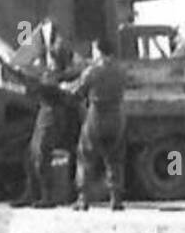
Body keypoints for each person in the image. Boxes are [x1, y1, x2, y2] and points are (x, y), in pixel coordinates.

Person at [8, 27, 80, 207]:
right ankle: (31, 193)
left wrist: (22, 77)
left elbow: (46, 89)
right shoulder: (54, 75)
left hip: (52, 117)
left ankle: (47, 197)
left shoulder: (62, 78)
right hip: (45, 115)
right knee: (30, 156)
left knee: (41, 156)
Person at [68, 35, 128, 211]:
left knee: (86, 156)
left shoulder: (92, 71)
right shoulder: (121, 70)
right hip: (117, 115)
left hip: (97, 115)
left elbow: (77, 91)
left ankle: (83, 199)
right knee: (115, 158)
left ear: (99, 50)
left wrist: (65, 86)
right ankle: (116, 199)